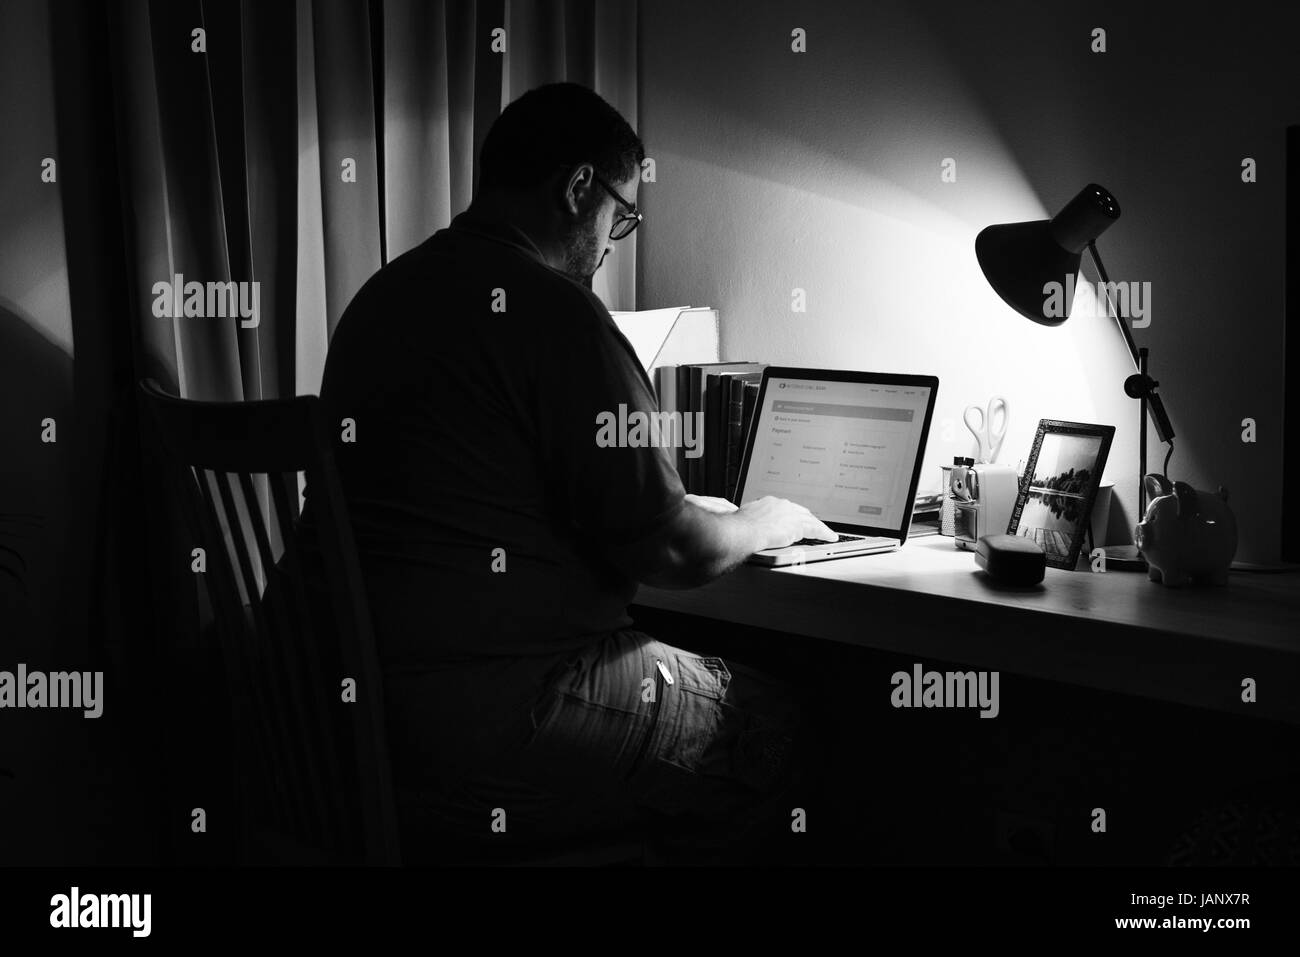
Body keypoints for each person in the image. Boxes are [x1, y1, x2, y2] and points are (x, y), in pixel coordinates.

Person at [303, 82, 835, 864]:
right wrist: (759, 519)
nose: (614, 241)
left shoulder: (385, 296)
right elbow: (674, 552)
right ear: (580, 186)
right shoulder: (555, 311)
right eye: (621, 214)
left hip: (347, 719)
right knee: (786, 725)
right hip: (497, 714)